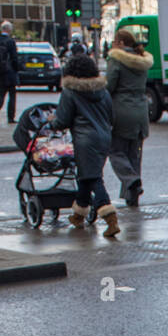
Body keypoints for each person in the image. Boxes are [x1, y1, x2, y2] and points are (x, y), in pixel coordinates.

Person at [50, 52, 119, 238]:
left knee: (93, 177)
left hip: (84, 139)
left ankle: (110, 218)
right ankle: (78, 216)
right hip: (104, 137)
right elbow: (111, 116)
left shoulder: (70, 91)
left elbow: (62, 120)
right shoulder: (103, 91)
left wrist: (51, 122)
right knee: (86, 176)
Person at [105, 28, 152, 207]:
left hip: (122, 110)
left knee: (115, 150)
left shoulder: (116, 60)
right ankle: (132, 196)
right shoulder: (143, 61)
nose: (113, 45)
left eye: (115, 42)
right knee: (134, 154)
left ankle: (130, 180)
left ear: (122, 43)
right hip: (141, 111)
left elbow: (109, 86)